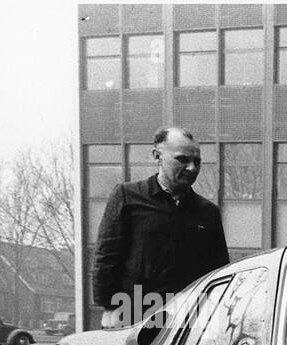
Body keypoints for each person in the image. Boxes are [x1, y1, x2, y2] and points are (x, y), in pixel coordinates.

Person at [92, 126, 229, 328]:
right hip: (134, 316)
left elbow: (219, 271)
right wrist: (109, 308)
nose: (192, 168)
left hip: (188, 323)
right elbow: (106, 257)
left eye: (197, 161)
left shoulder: (208, 212)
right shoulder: (127, 196)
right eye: (182, 159)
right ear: (158, 156)